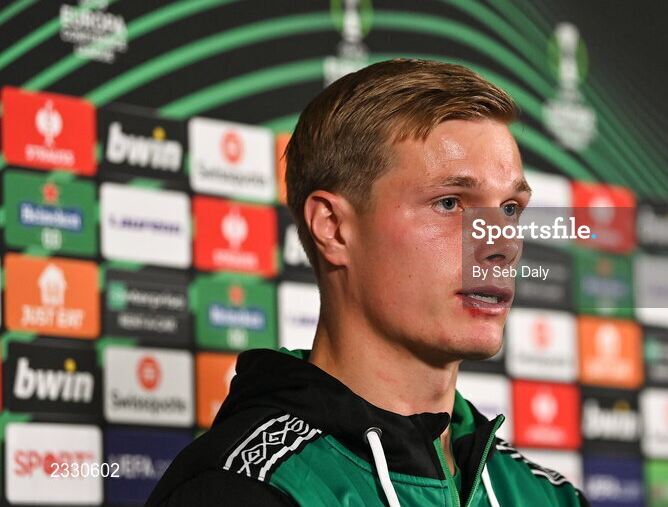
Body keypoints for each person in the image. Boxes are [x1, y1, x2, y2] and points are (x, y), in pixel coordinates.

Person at [146, 59, 590, 507]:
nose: (501, 244)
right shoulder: (241, 492)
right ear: (334, 227)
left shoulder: (548, 497)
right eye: (451, 202)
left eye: (511, 208)